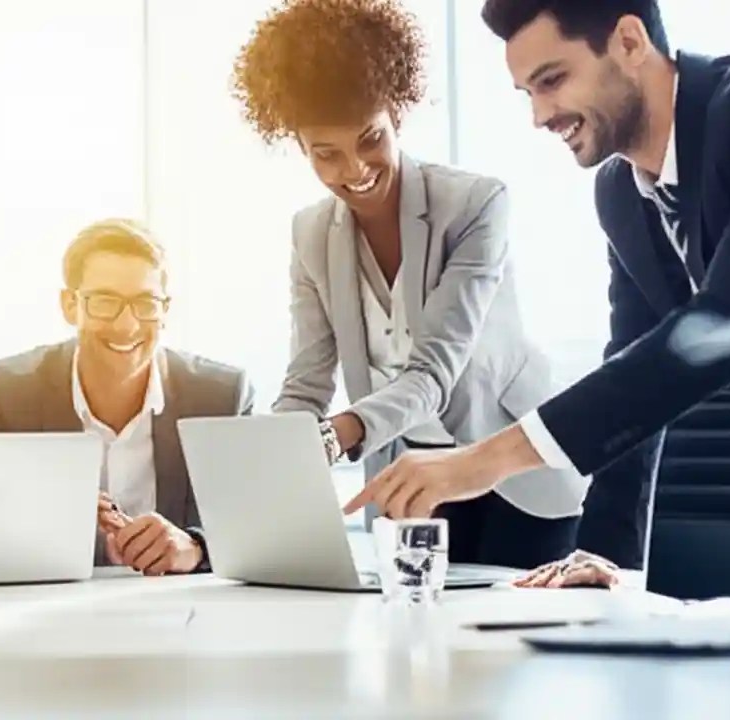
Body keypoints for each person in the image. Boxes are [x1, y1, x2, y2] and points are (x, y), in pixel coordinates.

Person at [345, 0, 730, 586]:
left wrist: (485, 460)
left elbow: (727, 319)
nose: (540, 116)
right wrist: (604, 554)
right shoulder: (622, 194)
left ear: (630, 42)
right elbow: (633, 369)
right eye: (527, 94)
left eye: (553, 80)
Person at [230, 0, 587, 568]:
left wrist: (338, 433)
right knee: (410, 620)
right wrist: (272, 456)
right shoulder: (310, 235)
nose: (354, 169)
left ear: (395, 113)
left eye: (370, 139)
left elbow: (434, 372)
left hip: (514, 472)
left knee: (511, 621)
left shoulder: (474, 204)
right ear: (299, 146)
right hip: (407, 482)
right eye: (326, 154)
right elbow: (305, 386)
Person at [0, 219, 253, 575]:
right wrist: (50, 514)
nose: (127, 325)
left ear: (165, 310)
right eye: (105, 302)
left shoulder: (221, 397)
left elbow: (255, 525)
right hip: (54, 600)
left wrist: (196, 546)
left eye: (145, 303)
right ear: (69, 305)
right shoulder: (12, 391)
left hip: (178, 603)